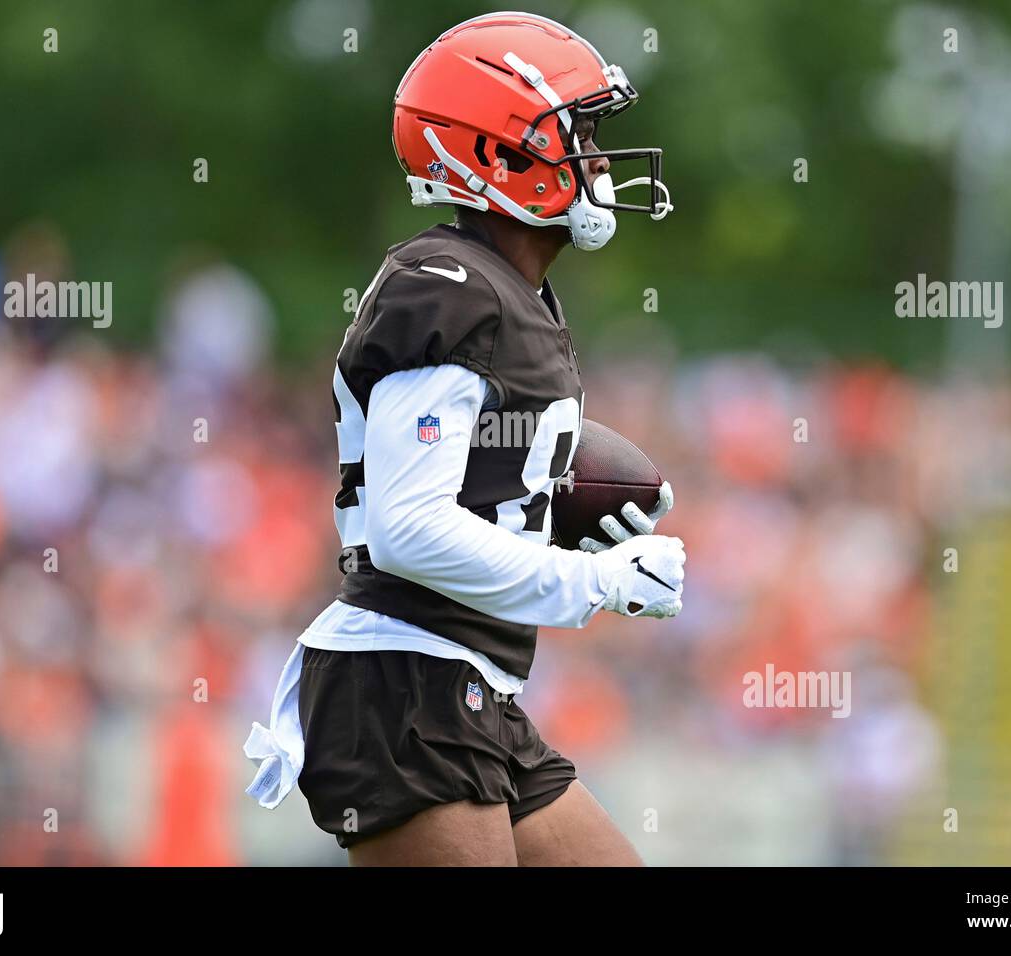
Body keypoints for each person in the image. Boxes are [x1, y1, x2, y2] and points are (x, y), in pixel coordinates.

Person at [245, 11, 683, 866]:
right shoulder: (445, 287)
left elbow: (463, 487)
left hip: (465, 681)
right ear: (501, 154)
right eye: (578, 135)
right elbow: (408, 530)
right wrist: (593, 580)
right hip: (403, 681)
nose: (598, 160)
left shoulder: (512, 293)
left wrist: (553, 510)